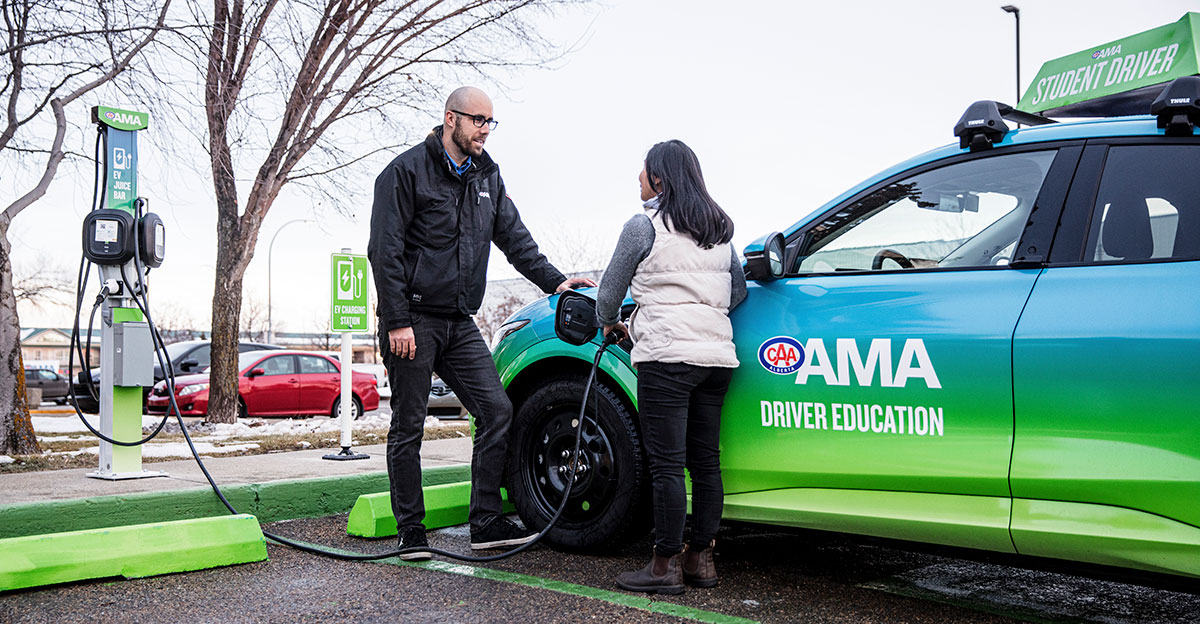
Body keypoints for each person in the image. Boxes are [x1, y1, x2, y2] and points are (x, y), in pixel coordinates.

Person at [368, 86, 595, 559]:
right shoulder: (404, 172)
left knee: (497, 410)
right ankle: (411, 530)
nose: (485, 131)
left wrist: (556, 283)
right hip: (411, 320)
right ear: (450, 118)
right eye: (477, 121)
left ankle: (485, 520)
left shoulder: (487, 176)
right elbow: (384, 251)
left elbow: (515, 238)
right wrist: (396, 320)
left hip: (459, 321)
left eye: (491, 123)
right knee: (408, 426)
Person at [596, 140, 746, 594]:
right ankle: (701, 560)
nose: (637, 181)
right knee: (705, 461)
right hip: (716, 359)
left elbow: (607, 296)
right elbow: (736, 292)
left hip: (667, 358)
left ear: (659, 179)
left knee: (666, 465)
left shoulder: (644, 226)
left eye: (642, 174)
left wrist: (614, 323)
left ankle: (664, 566)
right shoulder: (719, 231)